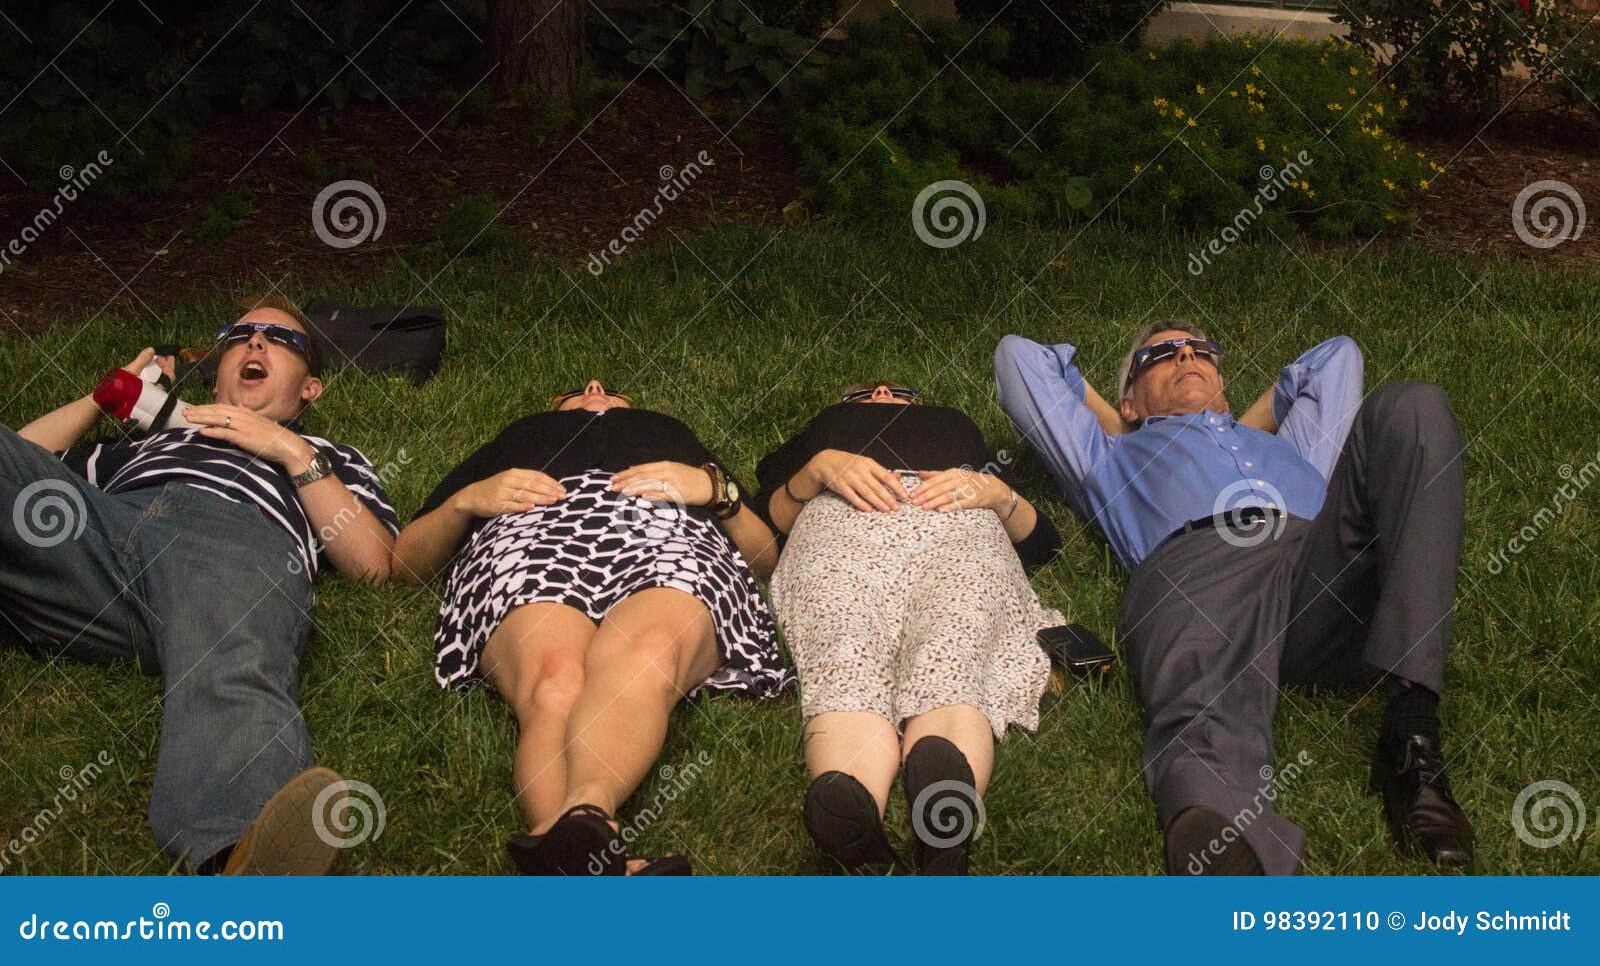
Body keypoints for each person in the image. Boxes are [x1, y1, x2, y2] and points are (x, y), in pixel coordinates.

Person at [994, 321, 1475, 874]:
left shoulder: (1295, 450)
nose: (1187, 358)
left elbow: (1335, 356)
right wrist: (1137, 426)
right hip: (1196, 570)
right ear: (1128, 401)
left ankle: (1412, 739)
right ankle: (1226, 846)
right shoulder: (1106, 459)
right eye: (1162, 356)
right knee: (1198, 700)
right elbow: (1018, 359)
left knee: (1414, 406)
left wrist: (1222, 424)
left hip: (1313, 569)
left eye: (1201, 352)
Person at [0, 295, 398, 874]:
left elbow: (372, 565)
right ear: (217, 367)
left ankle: (237, 854)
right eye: (241, 335)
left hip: (228, 547)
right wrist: (103, 398)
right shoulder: (144, 441)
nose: (256, 343)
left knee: (228, 657)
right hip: (104, 542)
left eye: (278, 339)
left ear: (310, 389)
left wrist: (289, 451)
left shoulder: (330, 458)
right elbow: (23, 461)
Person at [392, 379, 791, 875]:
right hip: (533, 532)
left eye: (616, 389)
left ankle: (581, 829)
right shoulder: (516, 440)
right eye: (572, 390)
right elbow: (405, 566)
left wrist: (715, 491)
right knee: (554, 679)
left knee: (648, 653)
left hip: (668, 530)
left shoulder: (673, 437)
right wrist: (467, 500)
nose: (595, 386)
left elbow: (764, 558)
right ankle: (598, 844)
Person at [755, 380, 1064, 875]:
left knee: (954, 644)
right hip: (839, 530)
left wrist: (1000, 494)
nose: (880, 392)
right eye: (859, 394)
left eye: (900, 390)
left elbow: (1044, 543)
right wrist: (814, 473)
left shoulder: (959, 431)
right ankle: (855, 817)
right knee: (844, 651)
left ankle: (942, 825)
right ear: (840, 407)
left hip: (959, 529)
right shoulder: (820, 437)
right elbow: (768, 525)